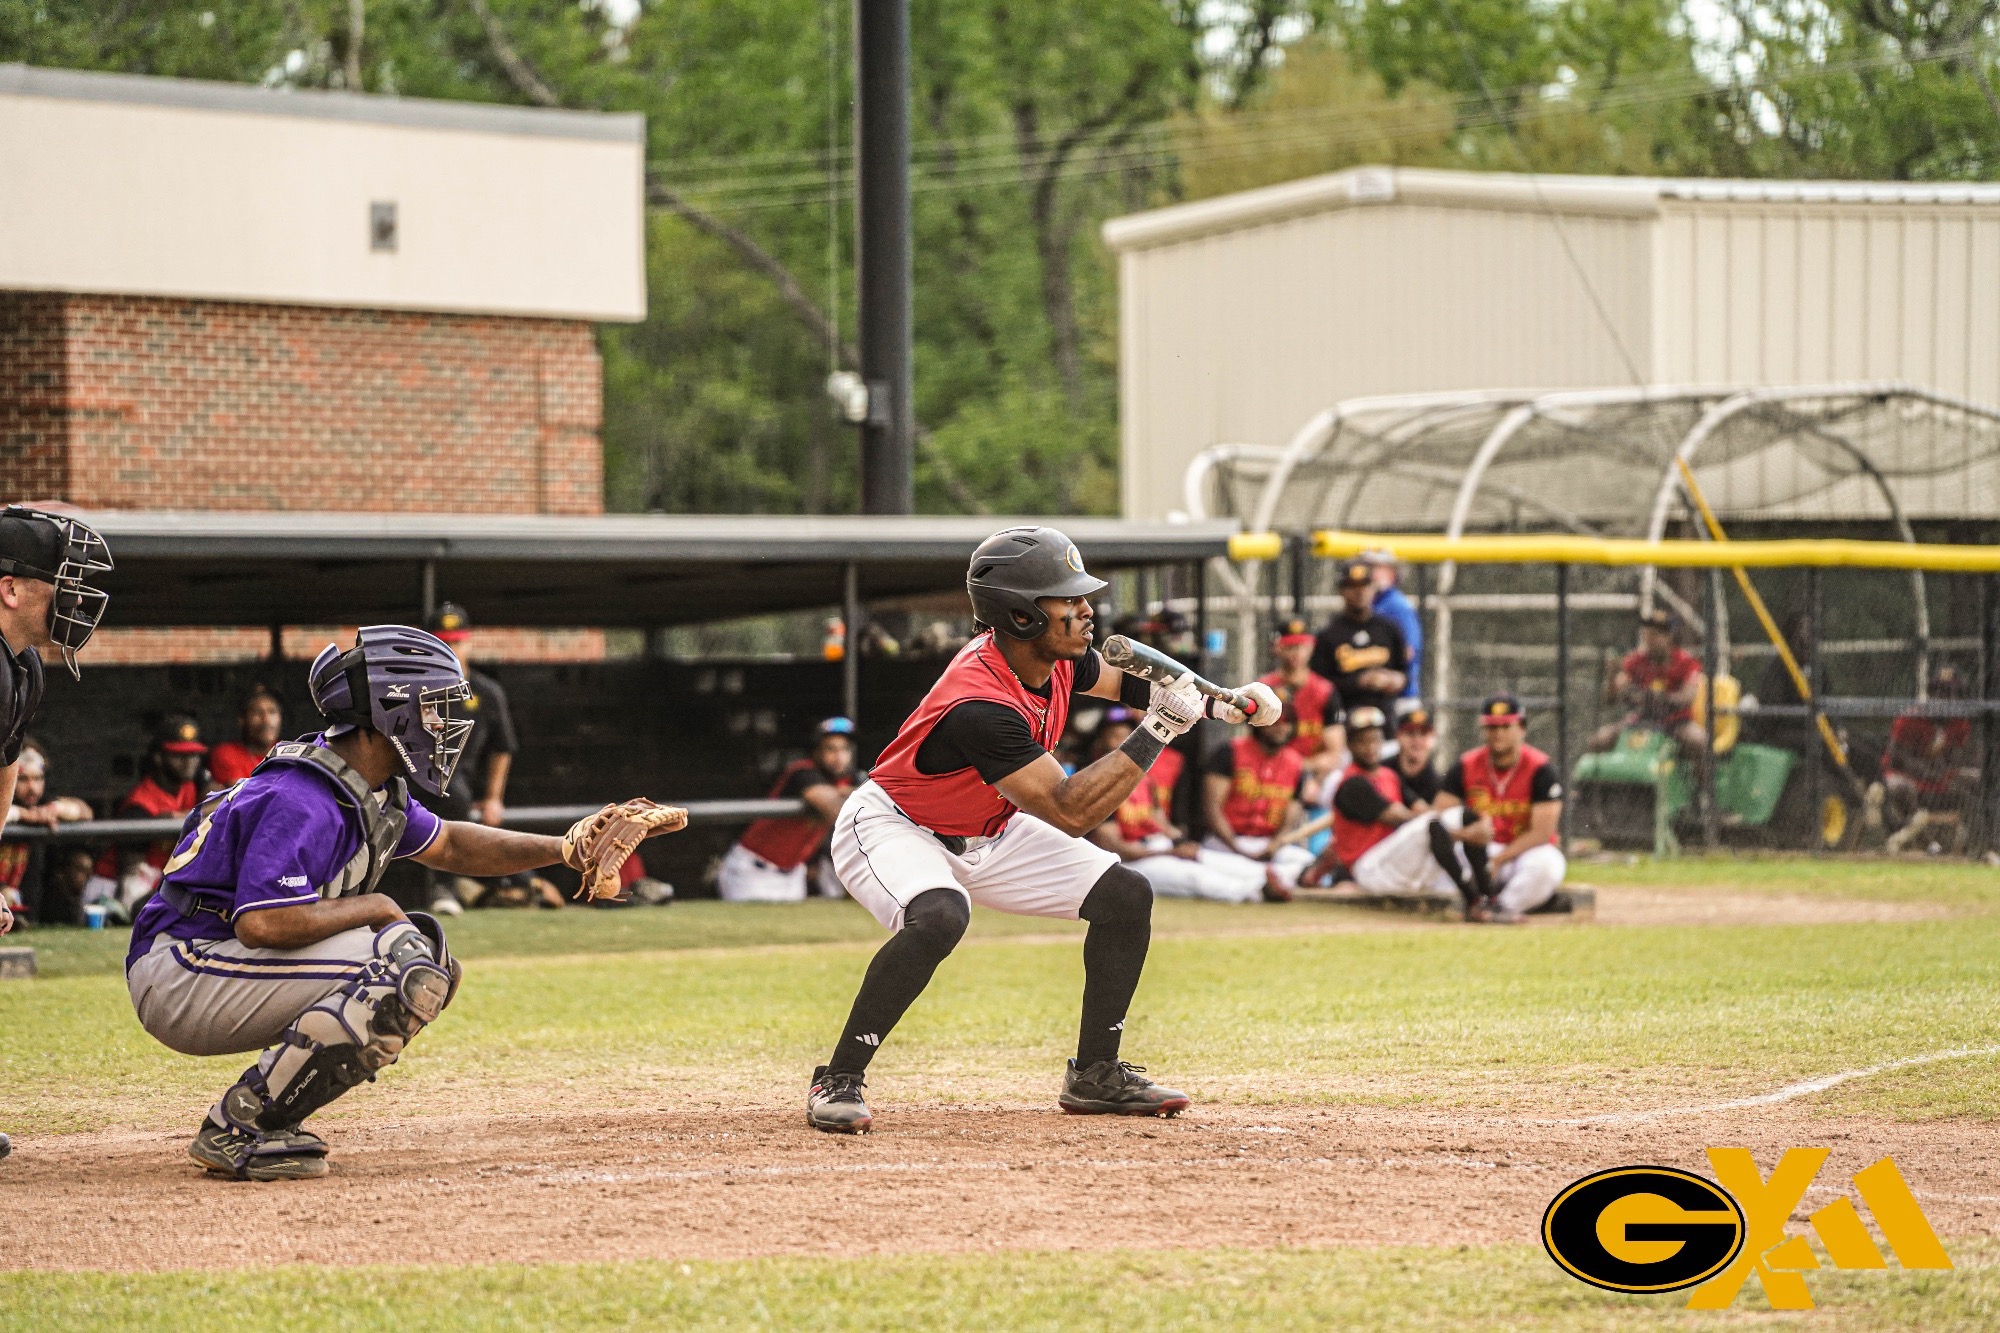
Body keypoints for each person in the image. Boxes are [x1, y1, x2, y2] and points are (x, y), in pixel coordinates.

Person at [123, 625, 683, 1181]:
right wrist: (376, 906)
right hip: (183, 969)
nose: (444, 722)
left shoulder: (363, 784)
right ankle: (242, 1124)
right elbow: (264, 924)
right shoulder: (303, 796)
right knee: (400, 964)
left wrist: (565, 850)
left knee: (425, 960)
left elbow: (452, 843)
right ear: (389, 713)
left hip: (219, 963)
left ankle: (264, 1116)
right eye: (431, 707)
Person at [803, 526, 1282, 1133]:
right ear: (1021, 614)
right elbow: (1069, 811)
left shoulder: (1050, 658)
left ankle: (1095, 1074)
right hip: (895, 825)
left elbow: (1128, 681)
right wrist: (1160, 728)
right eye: (1067, 598)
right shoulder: (980, 705)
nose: (1086, 609)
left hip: (989, 827)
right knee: (941, 916)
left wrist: (1220, 702)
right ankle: (838, 1077)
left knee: (1124, 895)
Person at [0, 505, 114, 942]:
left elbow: (6, 759)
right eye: (63, 584)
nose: (77, 599)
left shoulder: (24, 664)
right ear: (11, 589)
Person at [1086, 708, 1271, 904]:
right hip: (1126, 864)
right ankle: (1257, 891)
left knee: (1207, 858)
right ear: (1100, 742)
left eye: (1128, 736)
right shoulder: (1096, 783)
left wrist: (1181, 842)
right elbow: (1113, 846)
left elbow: (1159, 820)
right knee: (1193, 876)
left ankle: (1273, 876)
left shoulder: (1142, 778)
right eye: (1115, 736)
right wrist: (1169, 852)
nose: (1124, 743)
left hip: (1155, 847)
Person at [422, 602, 535, 914]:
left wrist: (494, 798)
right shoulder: (414, 690)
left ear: (468, 643)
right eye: (443, 644)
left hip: (460, 787)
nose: (451, 651)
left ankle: (462, 887)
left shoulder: (487, 692)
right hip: (415, 779)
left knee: (455, 793)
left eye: (456, 642)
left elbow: (503, 748)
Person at [1433, 694, 1568, 922]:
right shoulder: (1466, 764)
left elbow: (1542, 833)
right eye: (1492, 727)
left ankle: (1501, 908)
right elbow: (1438, 819)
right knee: (1438, 861)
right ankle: (1473, 902)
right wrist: (1466, 835)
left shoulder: (1540, 769)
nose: (1498, 733)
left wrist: (1499, 860)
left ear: (1521, 728)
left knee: (1549, 864)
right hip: (1479, 853)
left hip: (1520, 854)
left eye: (1506, 726)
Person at [719, 717, 862, 901]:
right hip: (754, 871)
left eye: (844, 749)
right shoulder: (802, 772)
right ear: (817, 751)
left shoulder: (849, 780)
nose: (839, 756)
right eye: (831, 749)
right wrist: (862, 795)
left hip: (793, 875)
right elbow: (835, 808)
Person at [90, 714, 208, 919]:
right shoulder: (140, 804)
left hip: (159, 880)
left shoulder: (192, 784)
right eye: (179, 756)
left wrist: (185, 817)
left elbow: (224, 798)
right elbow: (130, 879)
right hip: (111, 888)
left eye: (193, 755)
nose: (189, 762)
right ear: (158, 758)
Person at [1201, 700, 1315, 898]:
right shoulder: (1230, 751)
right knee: (1205, 861)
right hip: (1227, 843)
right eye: (1275, 722)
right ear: (1258, 722)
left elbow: (1292, 815)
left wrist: (1275, 845)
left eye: (1287, 722)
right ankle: (1266, 882)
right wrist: (1236, 848)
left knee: (1306, 862)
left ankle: (1260, 882)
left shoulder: (1296, 764)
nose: (1281, 728)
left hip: (1267, 844)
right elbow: (1212, 808)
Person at [1874, 665, 1981, 853]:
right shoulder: (1911, 717)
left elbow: (1954, 758)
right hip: (1905, 775)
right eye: (1939, 691)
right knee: (1898, 786)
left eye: (1953, 693)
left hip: (1939, 777)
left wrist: (1950, 768)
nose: (1946, 698)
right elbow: (1897, 757)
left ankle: (1976, 842)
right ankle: (1916, 839)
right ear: (1931, 693)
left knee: (1979, 778)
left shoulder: (1960, 722)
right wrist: (1927, 771)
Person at [2, 739, 94, 927]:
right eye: (23, 779)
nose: (32, 788)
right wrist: (22, 814)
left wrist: (56, 809)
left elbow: (85, 811)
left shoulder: (42, 803)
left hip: (31, 898)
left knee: (78, 864)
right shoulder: (7, 801)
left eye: (38, 779)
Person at [1592, 609, 1705, 753]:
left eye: (1655, 634)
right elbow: (1610, 699)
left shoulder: (1686, 662)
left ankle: (1703, 769)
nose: (1649, 639)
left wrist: (1652, 698)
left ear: (1669, 636)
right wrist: (1612, 676)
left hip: (1676, 723)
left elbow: (1687, 698)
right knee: (1599, 740)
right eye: (1646, 634)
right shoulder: (1635, 661)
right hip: (1642, 719)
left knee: (1701, 742)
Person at [1310, 559, 1409, 724]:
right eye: (1352, 586)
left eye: (1364, 585)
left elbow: (1404, 672)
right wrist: (1359, 681)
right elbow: (1319, 683)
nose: (1359, 592)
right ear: (1341, 591)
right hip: (1344, 716)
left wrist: (1396, 679)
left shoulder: (1389, 629)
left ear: (1373, 588)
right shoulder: (1329, 634)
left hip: (1386, 716)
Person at [1260, 617, 1344, 775]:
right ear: (1277, 648)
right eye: (1290, 646)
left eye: (1302, 646)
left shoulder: (1325, 691)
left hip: (1312, 770)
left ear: (1311, 647)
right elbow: (1253, 742)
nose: (1296, 653)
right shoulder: (1264, 688)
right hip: (1270, 771)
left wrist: (1304, 772)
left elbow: (1334, 753)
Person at [1369, 556, 1424, 704]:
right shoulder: (1374, 603)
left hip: (1399, 697)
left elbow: (1408, 651)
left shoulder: (1397, 606)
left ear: (1391, 573)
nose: (1369, 572)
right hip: (1376, 696)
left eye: (1375, 567)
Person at [208, 686, 284, 788]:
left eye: (272, 712)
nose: (266, 720)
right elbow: (243, 792)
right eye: (257, 713)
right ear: (242, 720)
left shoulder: (290, 756)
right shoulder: (227, 753)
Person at [1395, 708, 1441, 806]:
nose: (1417, 741)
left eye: (1423, 734)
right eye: (1410, 733)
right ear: (1398, 736)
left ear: (1433, 739)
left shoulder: (1439, 785)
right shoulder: (1381, 771)